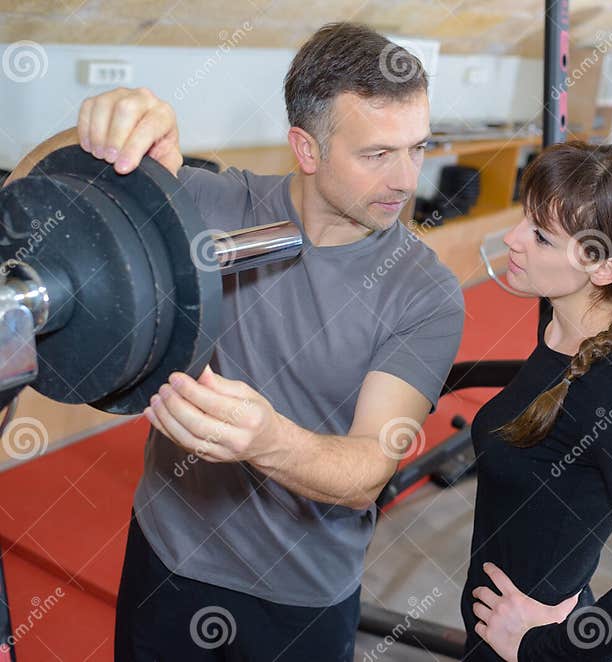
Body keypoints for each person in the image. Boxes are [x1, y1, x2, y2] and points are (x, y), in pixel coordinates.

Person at [9, 23, 464, 660]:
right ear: (306, 148)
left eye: (417, 148)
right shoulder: (214, 205)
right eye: (377, 154)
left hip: (302, 597)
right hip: (169, 559)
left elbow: (369, 467)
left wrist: (269, 441)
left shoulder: (425, 293)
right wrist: (103, 132)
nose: (405, 179)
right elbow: (32, 201)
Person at [461, 141, 612, 661]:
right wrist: (445, 378)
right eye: (526, 219)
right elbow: (547, 385)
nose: (513, 238)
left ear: (604, 268)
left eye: (541, 236)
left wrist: (541, 648)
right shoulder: (562, 326)